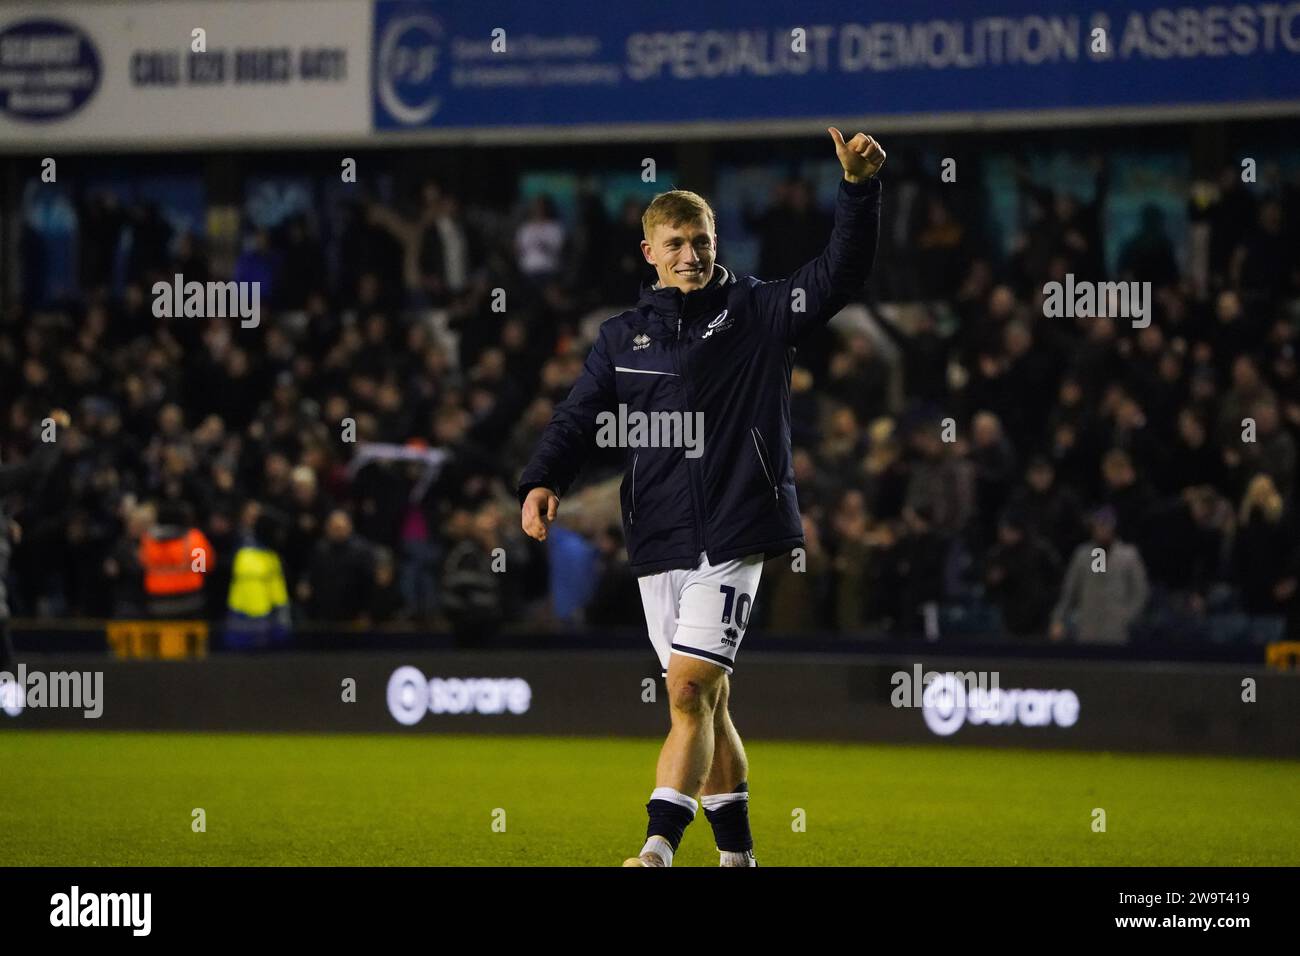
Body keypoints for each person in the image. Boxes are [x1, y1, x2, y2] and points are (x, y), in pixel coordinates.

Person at [518, 128, 885, 867]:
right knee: (708, 704)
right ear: (650, 252)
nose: (693, 253)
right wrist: (541, 477)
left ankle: (656, 847)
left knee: (685, 692)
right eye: (678, 242)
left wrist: (858, 190)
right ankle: (739, 857)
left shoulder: (757, 311)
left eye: (704, 239)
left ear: (718, 241)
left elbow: (838, 276)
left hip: (736, 528)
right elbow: (579, 416)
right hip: (658, 537)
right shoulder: (622, 338)